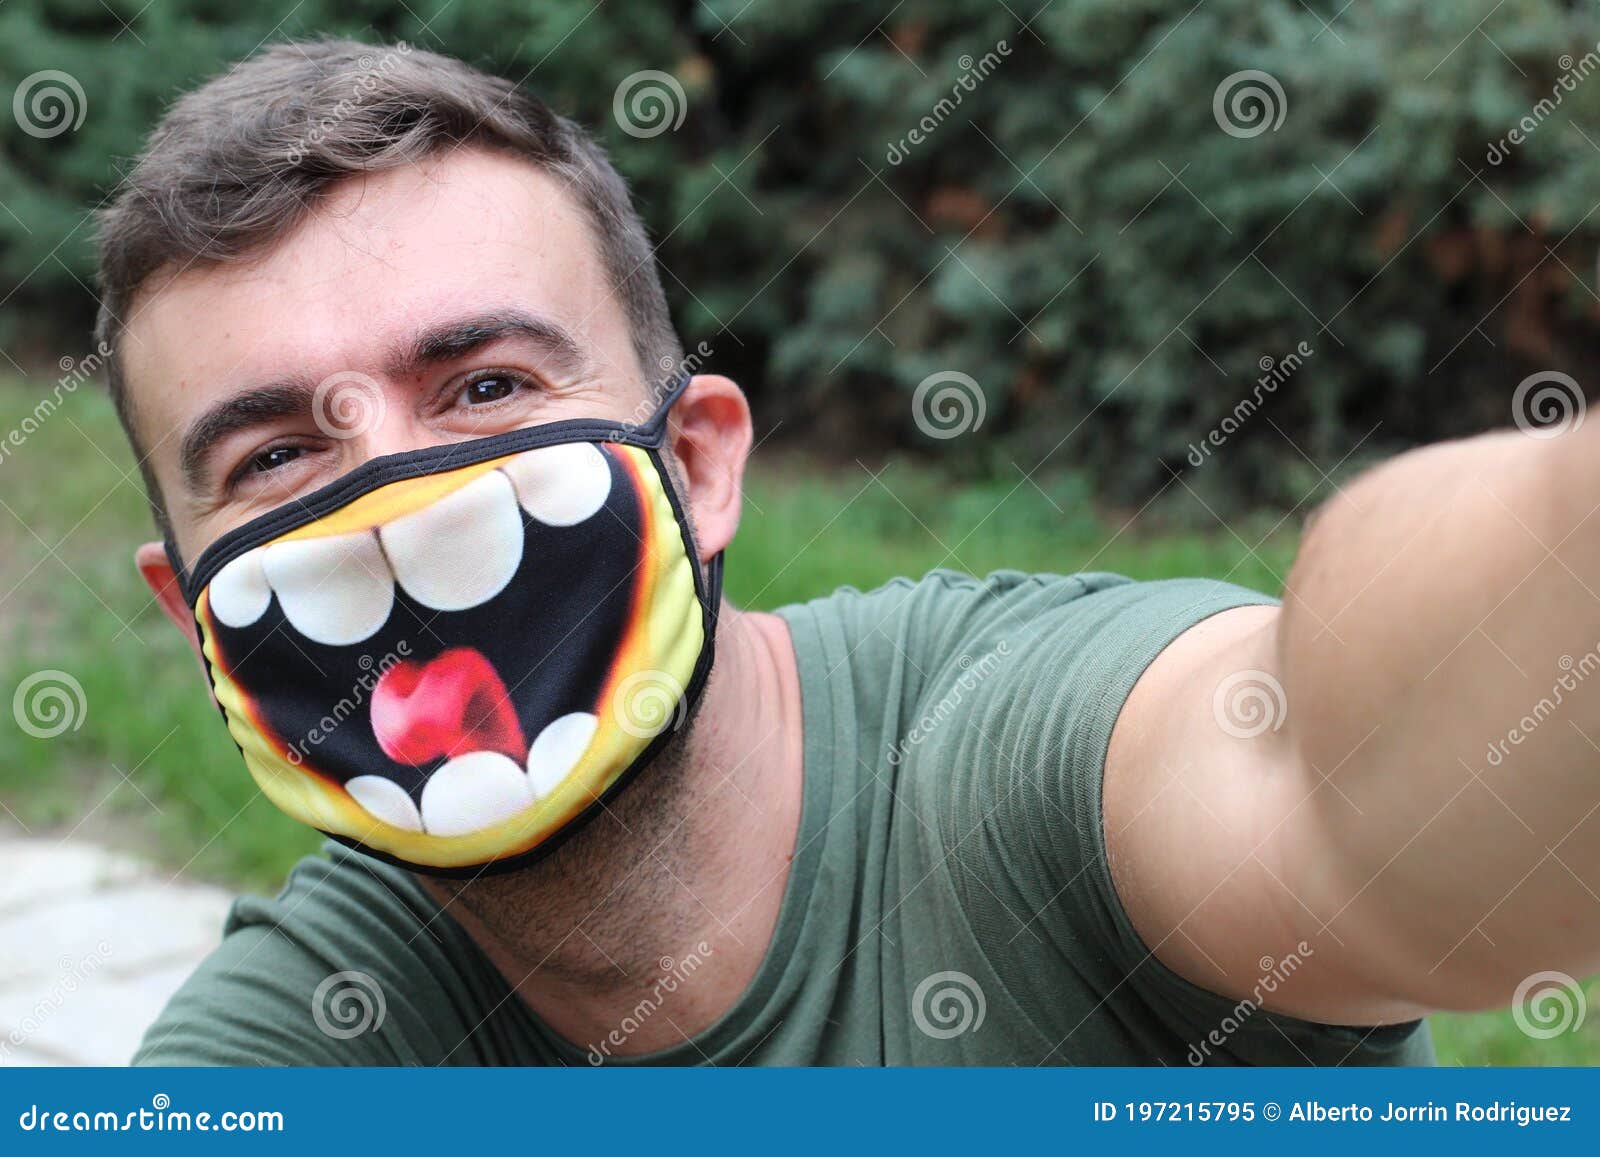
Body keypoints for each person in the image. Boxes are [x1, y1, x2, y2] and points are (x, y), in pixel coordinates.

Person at [106, 40, 1592, 1068]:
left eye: (487, 387)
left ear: (696, 466)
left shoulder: (1017, 780)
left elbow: (1334, 780)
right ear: (193, 614)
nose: (402, 500)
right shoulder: (314, 1035)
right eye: (276, 456)